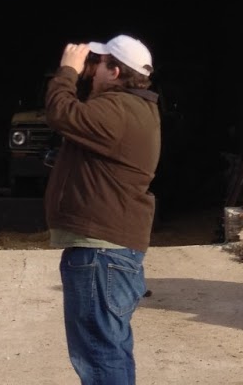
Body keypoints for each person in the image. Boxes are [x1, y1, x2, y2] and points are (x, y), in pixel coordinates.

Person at [44, 34, 161, 385]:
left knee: (98, 353)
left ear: (114, 71)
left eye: (98, 65)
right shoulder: (132, 109)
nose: (90, 72)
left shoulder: (119, 110)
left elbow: (60, 112)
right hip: (109, 251)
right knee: (110, 349)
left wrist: (67, 71)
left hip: (100, 252)